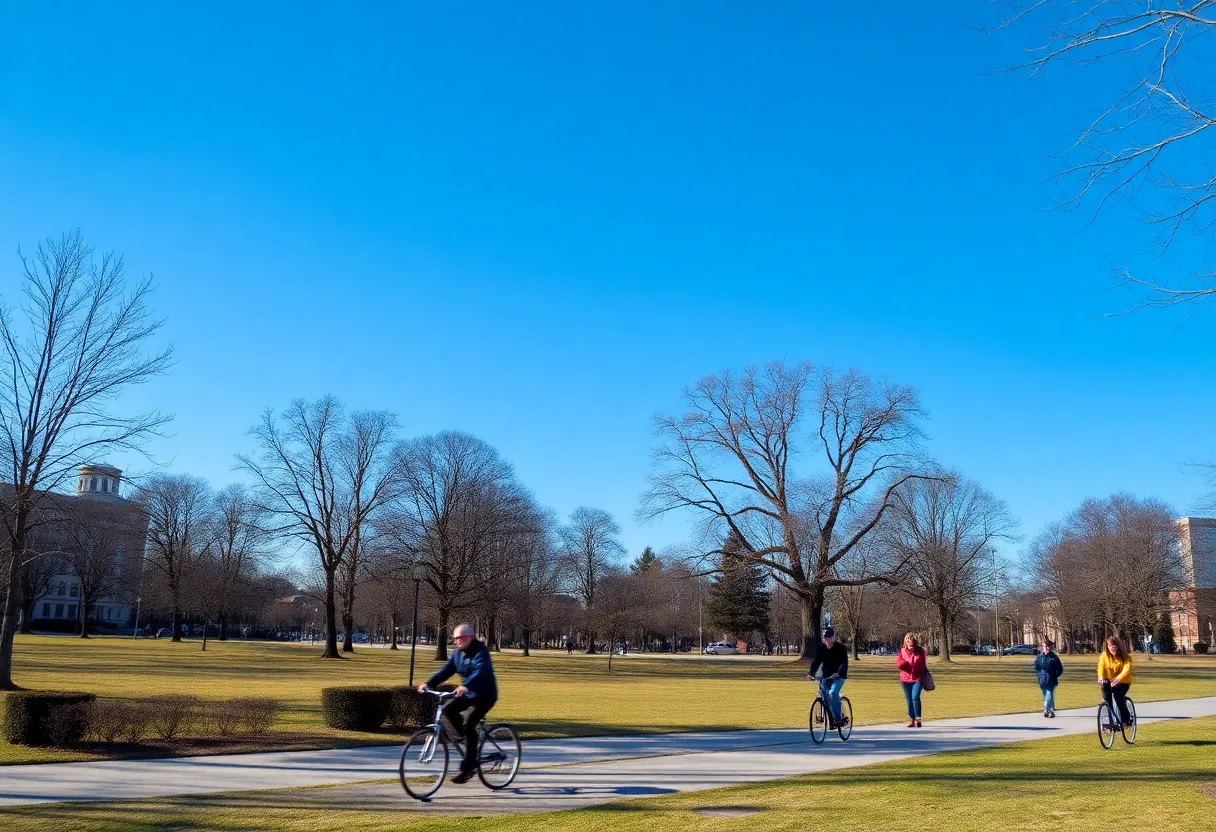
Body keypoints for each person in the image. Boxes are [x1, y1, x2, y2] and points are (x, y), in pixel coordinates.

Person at [419, 623, 499, 783]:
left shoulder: (481, 652)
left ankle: (468, 769)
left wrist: (466, 685)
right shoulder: (457, 654)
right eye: (455, 638)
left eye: (460, 638)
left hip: (485, 695)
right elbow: (446, 670)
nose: (457, 641)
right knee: (449, 710)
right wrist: (429, 683)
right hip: (469, 694)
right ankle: (468, 742)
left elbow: (480, 671)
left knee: (469, 724)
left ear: (469, 637)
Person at [808, 627, 849, 727]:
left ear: (834, 638)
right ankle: (830, 719)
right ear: (824, 639)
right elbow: (816, 662)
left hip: (839, 676)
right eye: (826, 638)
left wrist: (838, 672)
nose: (829, 640)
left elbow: (844, 663)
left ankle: (839, 719)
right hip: (826, 676)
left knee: (832, 693)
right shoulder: (821, 649)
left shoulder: (841, 648)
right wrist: (811, 674)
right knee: (823, 694)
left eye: (831, 637)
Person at [1097, 635, 1133, 727]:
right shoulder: (1104, 656)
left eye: (1114, 646)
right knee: (1107, 699)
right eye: (1110, 646)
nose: (1112, 649)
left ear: (1118, 647)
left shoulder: (1126, 657)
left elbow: (1127, 669)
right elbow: (1100, 667)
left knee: (1118, 696)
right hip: (1109, 681)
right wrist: (1101, 678)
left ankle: (1126, 719)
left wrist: (1118, 679)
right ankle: (1110, 720)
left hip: (1123, 682)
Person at [896, 632, 927, 728]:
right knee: (909, 700)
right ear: (906, 643)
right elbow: (899, 663)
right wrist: (907, 665)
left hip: (917, 678)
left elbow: (921, 664)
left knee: (915, 696)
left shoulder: (921, 651)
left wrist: (910, 665)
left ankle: (918, 719)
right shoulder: (902, 651)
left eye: (913, 646)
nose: (911, 648)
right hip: (905, 679)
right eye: (909, 646)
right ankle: (912, 719)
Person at [1033, 639, 1064, 718]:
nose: (1045, 648)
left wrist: (1054, 676)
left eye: (1047, 646)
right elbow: (1036, 668)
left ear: (1049, 647)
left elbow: (1059, 669)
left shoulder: (1054, 658)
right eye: (1044, 646)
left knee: (1049, 694)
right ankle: (1050, 710)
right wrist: (1039, 676)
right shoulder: (1039, 657)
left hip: (1051, 679)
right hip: (1042, 679)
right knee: (1045, 695)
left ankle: (1046, 710)